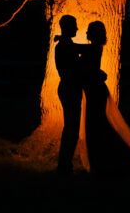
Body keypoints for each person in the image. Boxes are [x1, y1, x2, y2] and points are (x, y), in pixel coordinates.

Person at [80, 20, 130, 178]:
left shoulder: (93, 48)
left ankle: (105, 160)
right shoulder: (94, 48)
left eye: (89, 30)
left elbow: (82, 58)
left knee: (96, 124)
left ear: (94, 34)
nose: (86, 33)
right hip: (94, 90)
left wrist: (63, 40)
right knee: (96, 124)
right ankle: (102, 160)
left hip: (95, 91)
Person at [53, 14, 86, 176]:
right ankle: (64, 165)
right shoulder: (63, 46)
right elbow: (66, 72)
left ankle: (65, 164)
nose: (77, 29)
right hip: (69, 89)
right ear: (67, 27)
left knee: (71, 128)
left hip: (70, 88)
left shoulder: (66, 44)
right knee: (71, 128)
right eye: (74, 26)